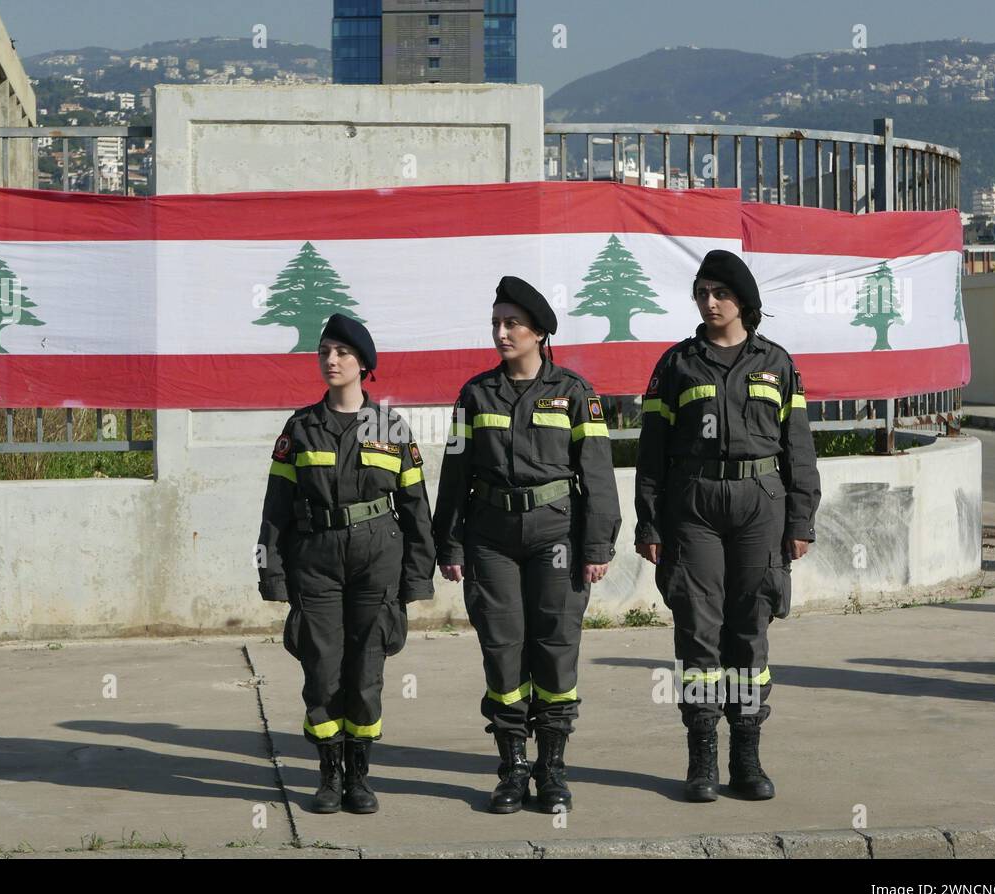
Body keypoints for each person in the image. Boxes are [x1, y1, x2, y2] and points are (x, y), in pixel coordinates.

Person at [634, 249, 822, 802]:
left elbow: (799, 448)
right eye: (702, 293)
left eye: (720, 293)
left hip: (760, 502)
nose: (710, 302)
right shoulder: (676, 364)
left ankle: (746, 757)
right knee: (697, 628)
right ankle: (701, 759)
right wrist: (650, 522)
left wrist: (801, 516)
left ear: (743, 301)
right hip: (692, 504)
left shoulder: (777, 363)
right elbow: (652, 452)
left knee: (749, 628)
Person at [433, 276, 622, 815]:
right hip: (490, 538)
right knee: (502, 648)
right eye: (496, 322)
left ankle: (552, 769)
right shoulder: (475, 394)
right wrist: (449, 542)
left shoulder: (576, 394)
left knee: (556, 649)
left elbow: (599, 478)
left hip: (556, 537)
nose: (501, 332)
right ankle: (513, 766)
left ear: (539, 331)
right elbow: (454, 473)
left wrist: (597, 546)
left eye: (512, 322)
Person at [256, 313, 435, 815]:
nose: (331, 361)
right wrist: (272, 573)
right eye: (324, 352)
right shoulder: (300, 428)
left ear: (363, 364)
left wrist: (418, 578)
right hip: (314, 561)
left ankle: (360, 776)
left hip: (377, 562)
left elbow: (417, 509)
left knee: (366, 672)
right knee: (321, 670)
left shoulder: (392, 429)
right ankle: (328, 775)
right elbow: (275, 508)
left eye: (342, 353)